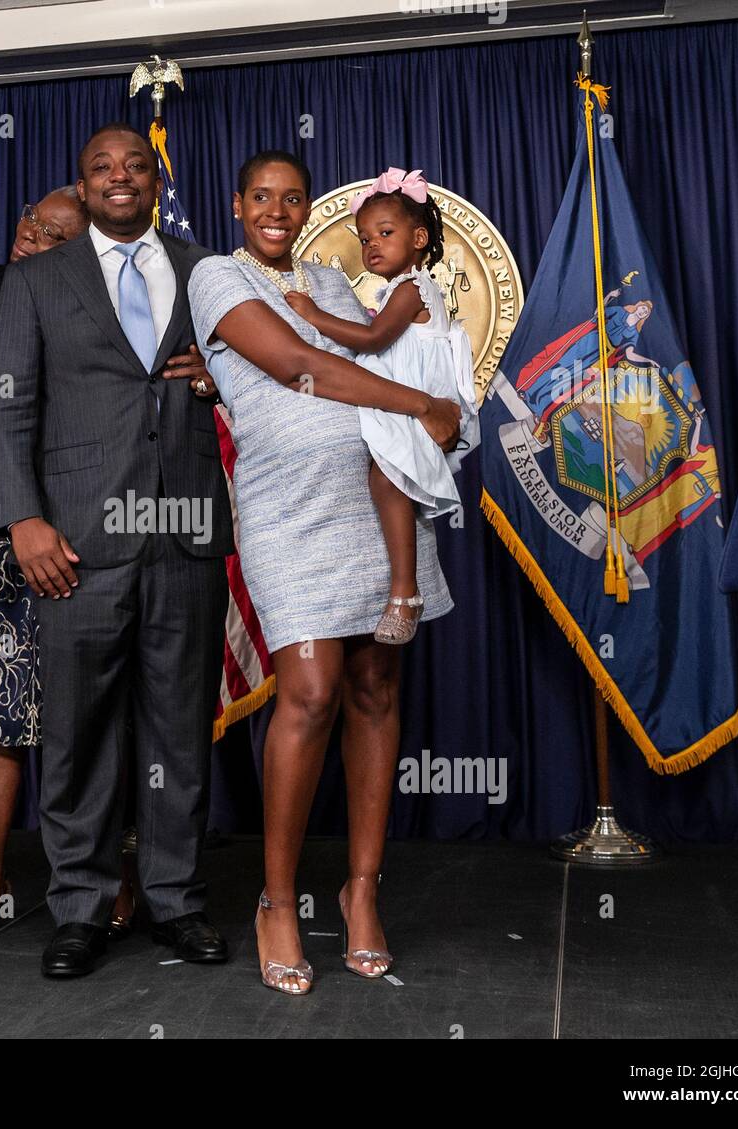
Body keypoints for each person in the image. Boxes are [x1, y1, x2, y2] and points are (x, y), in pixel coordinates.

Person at [188, 150, 461, 995]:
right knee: (308, 691)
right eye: (262, 196)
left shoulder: (336, 282)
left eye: (292, 197)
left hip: (380, 506)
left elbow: (373, 362)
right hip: (287, 513)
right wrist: (422, 406)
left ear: (309, 207)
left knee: (376, 685)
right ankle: (277, 900)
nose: (277, 209)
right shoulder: (212, 277)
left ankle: (362, 889)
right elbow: (295, 367)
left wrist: (412, 398)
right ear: (238, 205)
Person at [0, 122, 234, 978]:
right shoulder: (35, 279)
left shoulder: (209, 271)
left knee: (178, 735)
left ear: (156, 178)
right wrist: (23, 520)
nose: (119, 178)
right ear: (81, 187)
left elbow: (266, 378)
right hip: (77, 543)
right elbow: (7, 407)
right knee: (79, 732)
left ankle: (176, 901)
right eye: (101, 168)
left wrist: (217, 378)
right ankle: (81, 906)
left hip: (186, 532)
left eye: (134, 165)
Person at [0, 187, 148, 946]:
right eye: (28, 221)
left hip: (76, 508)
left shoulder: (107, 304)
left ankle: (110, 867)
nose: (29, 236)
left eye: (52, 233)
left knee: (94, 697)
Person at [283, 167, 479, 644]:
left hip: (416, 406)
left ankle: (404, 592)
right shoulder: (396, 290)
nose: (372, 246)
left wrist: (312, 315)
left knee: (385, 481)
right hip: (402, 404)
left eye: (385, 234)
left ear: (419, 237)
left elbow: (371, 341)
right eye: (366, 238)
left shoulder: (411, 289)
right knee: (384, 481)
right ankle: (399, 587)